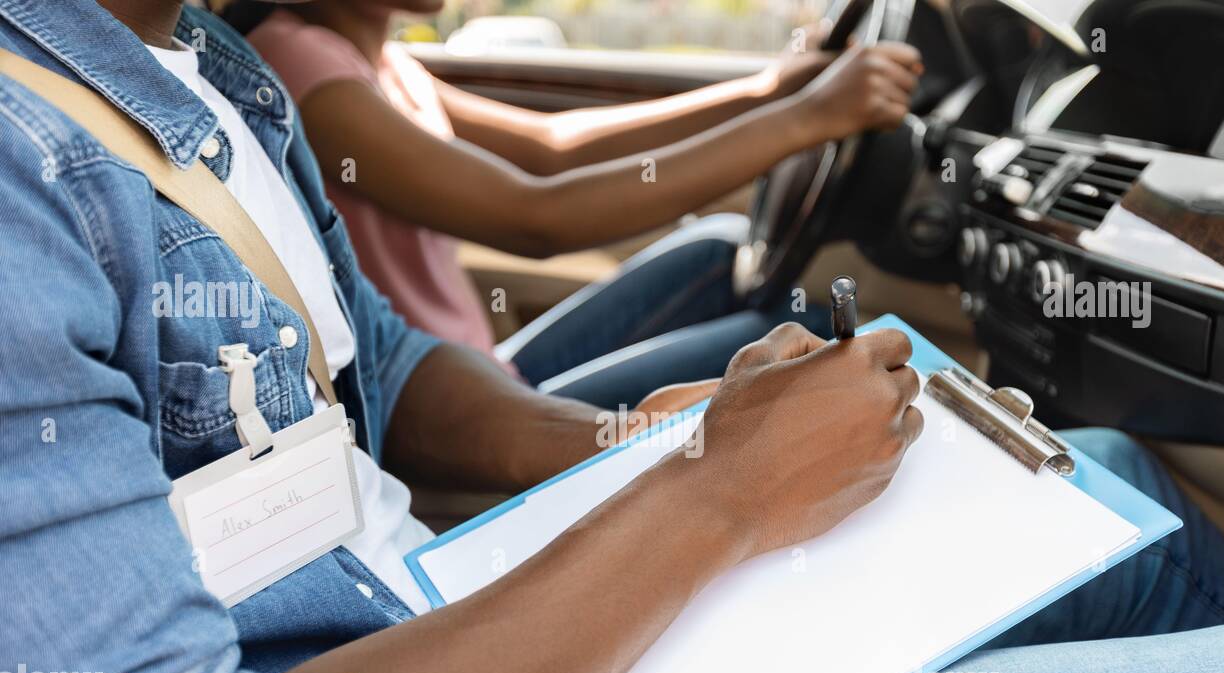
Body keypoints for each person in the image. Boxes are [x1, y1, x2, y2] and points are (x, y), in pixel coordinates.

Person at [0, 0, 1224, 673]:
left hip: (441, 616)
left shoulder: (206, 74)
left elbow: (376, 377)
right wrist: (708, 494)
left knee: (1112, 496)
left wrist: (624, 449)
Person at [231, 0, 925, 408]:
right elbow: (534, 216)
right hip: (440, 407)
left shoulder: (378, 61)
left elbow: (550, 148)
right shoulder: (298, 68)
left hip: (481, 365)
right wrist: (806, 120)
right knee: (795, 333)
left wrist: (770, 92)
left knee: (718, 252)